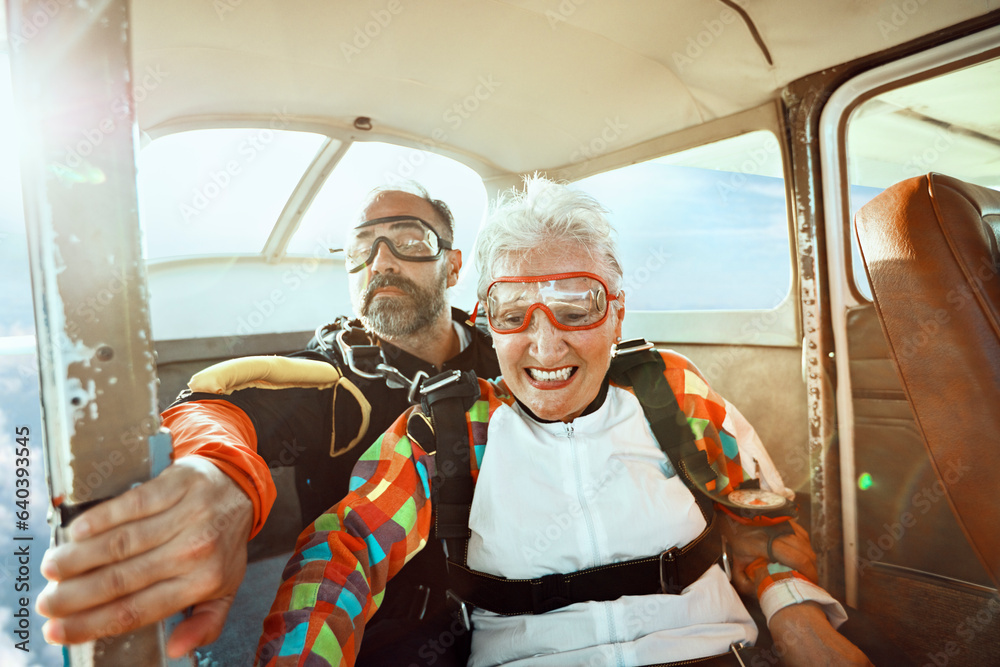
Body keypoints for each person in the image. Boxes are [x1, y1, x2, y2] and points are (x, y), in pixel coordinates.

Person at [255, 177, 873, 666]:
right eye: (514, 310)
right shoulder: (448, 429)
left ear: (618, 314)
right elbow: (341, 554)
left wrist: (798, 621)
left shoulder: (671, 392)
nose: (546, 346)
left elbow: (756, 515)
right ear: (487, 322)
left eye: (578, 306)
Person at [34, 183, 501, 662]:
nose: (381, 262)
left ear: (454, 265)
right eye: (362, 247)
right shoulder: (331, 379)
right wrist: (218, 471)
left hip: (511, 598)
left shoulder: (508, 353)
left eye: (410, 240)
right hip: (375, 627)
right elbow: (219, 406)